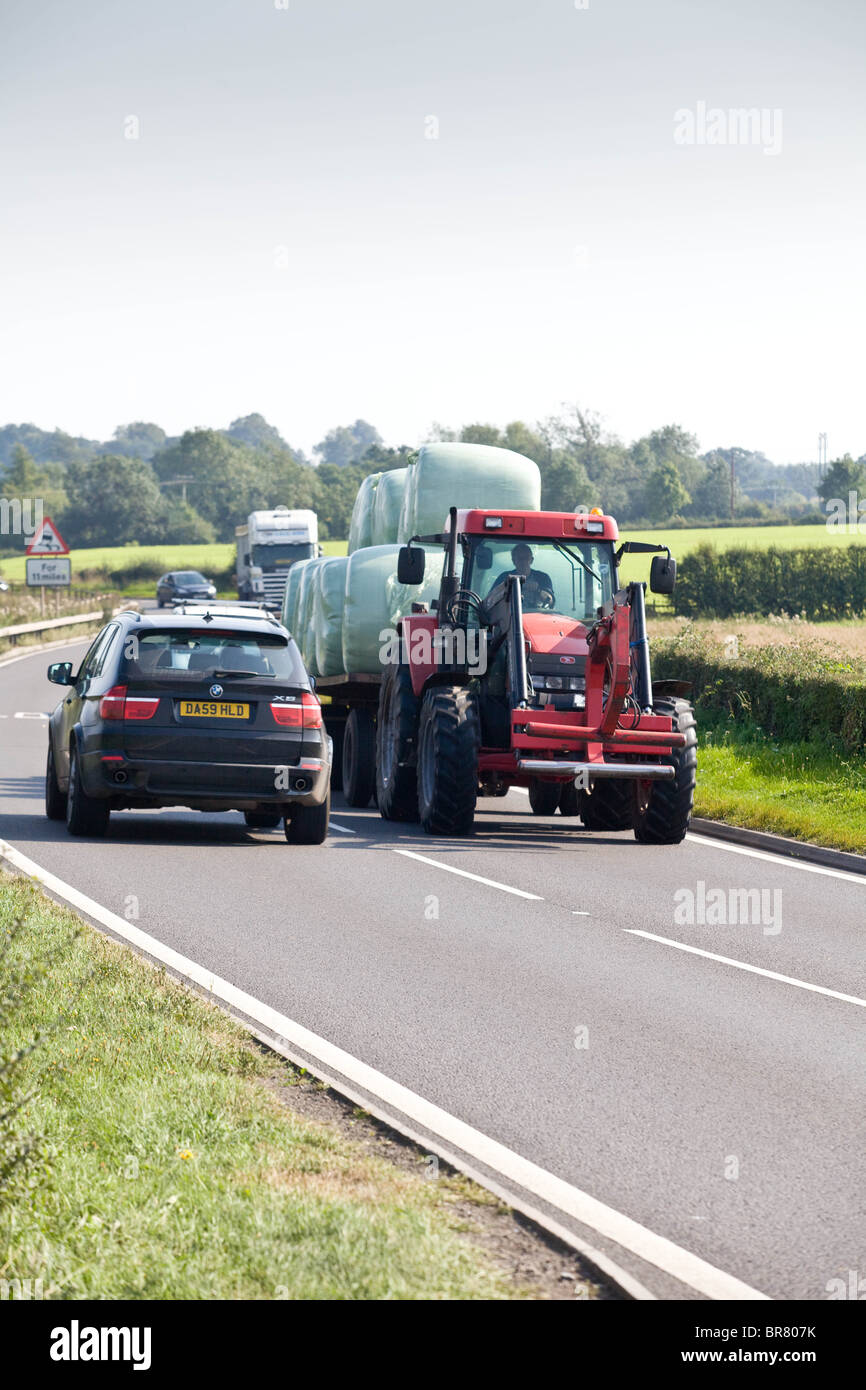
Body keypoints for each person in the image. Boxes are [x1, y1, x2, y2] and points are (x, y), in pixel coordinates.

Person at [506, 542, 555, 608]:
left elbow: (550, 601)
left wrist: (538, 590)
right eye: (520, 558)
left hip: (537, 616)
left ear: (531, 560)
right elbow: (491, 601)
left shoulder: (543, 577)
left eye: (526, 558)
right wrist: (511, 590)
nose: (523, 561)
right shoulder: (505, 578)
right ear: (513, 561)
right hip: (509, 616)